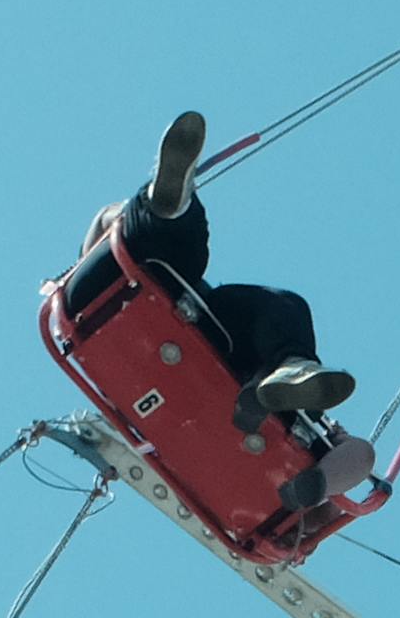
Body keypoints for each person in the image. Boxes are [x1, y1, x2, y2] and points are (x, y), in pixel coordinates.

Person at [66, 112, 356, 442]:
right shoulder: (97, 264)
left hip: (183, 317)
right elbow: (103, 232)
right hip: (107, 296)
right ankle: (167, 205)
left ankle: (292, 370)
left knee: (279, 304)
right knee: (167, 248)